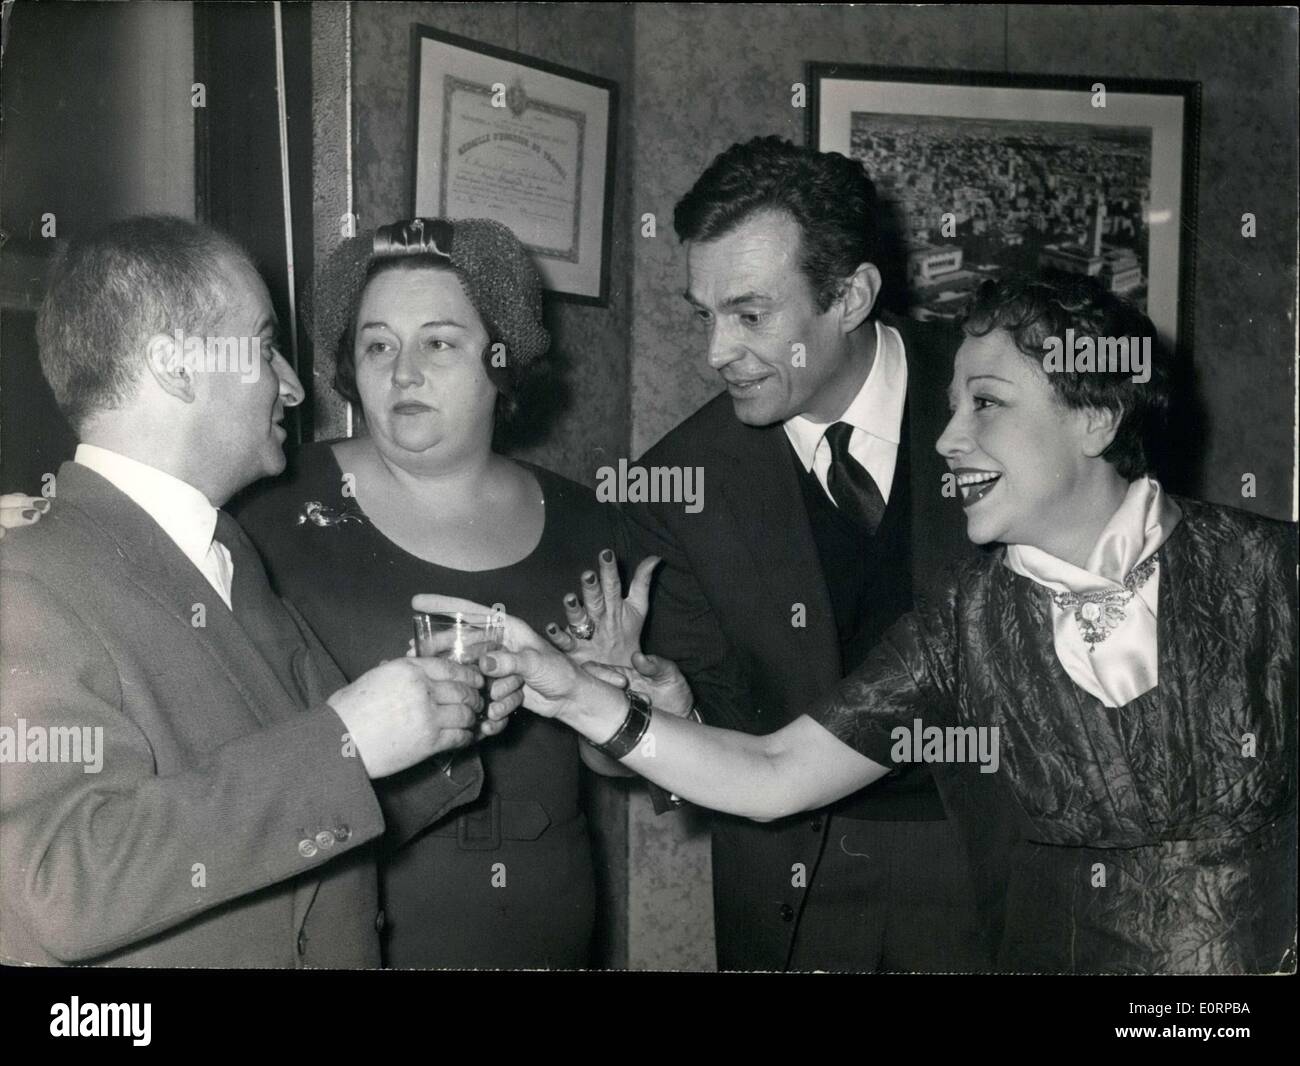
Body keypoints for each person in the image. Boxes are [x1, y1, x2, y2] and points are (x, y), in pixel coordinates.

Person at [445, 272, 1297, 974]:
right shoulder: (960, 622)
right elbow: (774, 770)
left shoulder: (1274, 574)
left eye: (987, 404)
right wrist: (573, 697)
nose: (947, 437)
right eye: (951, 404)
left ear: (1095, 418)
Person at [0, 216, 522, 967]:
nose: (293, 382)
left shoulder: (225, 549)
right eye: (263, 342)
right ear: (178, 366)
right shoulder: (27, 579)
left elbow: (304, 833)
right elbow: (59, 883)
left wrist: (441, 728)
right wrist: (345, 743)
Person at [561, 135, 987, 971]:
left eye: (750, 315)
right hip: (791, 901)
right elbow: (702, 742)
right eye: (704, 314)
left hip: (995, 876)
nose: (716, 352)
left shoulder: (1005, 405)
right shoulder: (671, 488)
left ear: (852, 295)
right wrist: (668, 707)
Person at [229, 218, 657, 969]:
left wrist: (625, 697)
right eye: (377, 345)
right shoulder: (273, 510)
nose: (402, 374)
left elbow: (610, 764)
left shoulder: (587, 522)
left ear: (502, 358)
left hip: (543, 927)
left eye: (438, 342)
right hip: (342, 929)